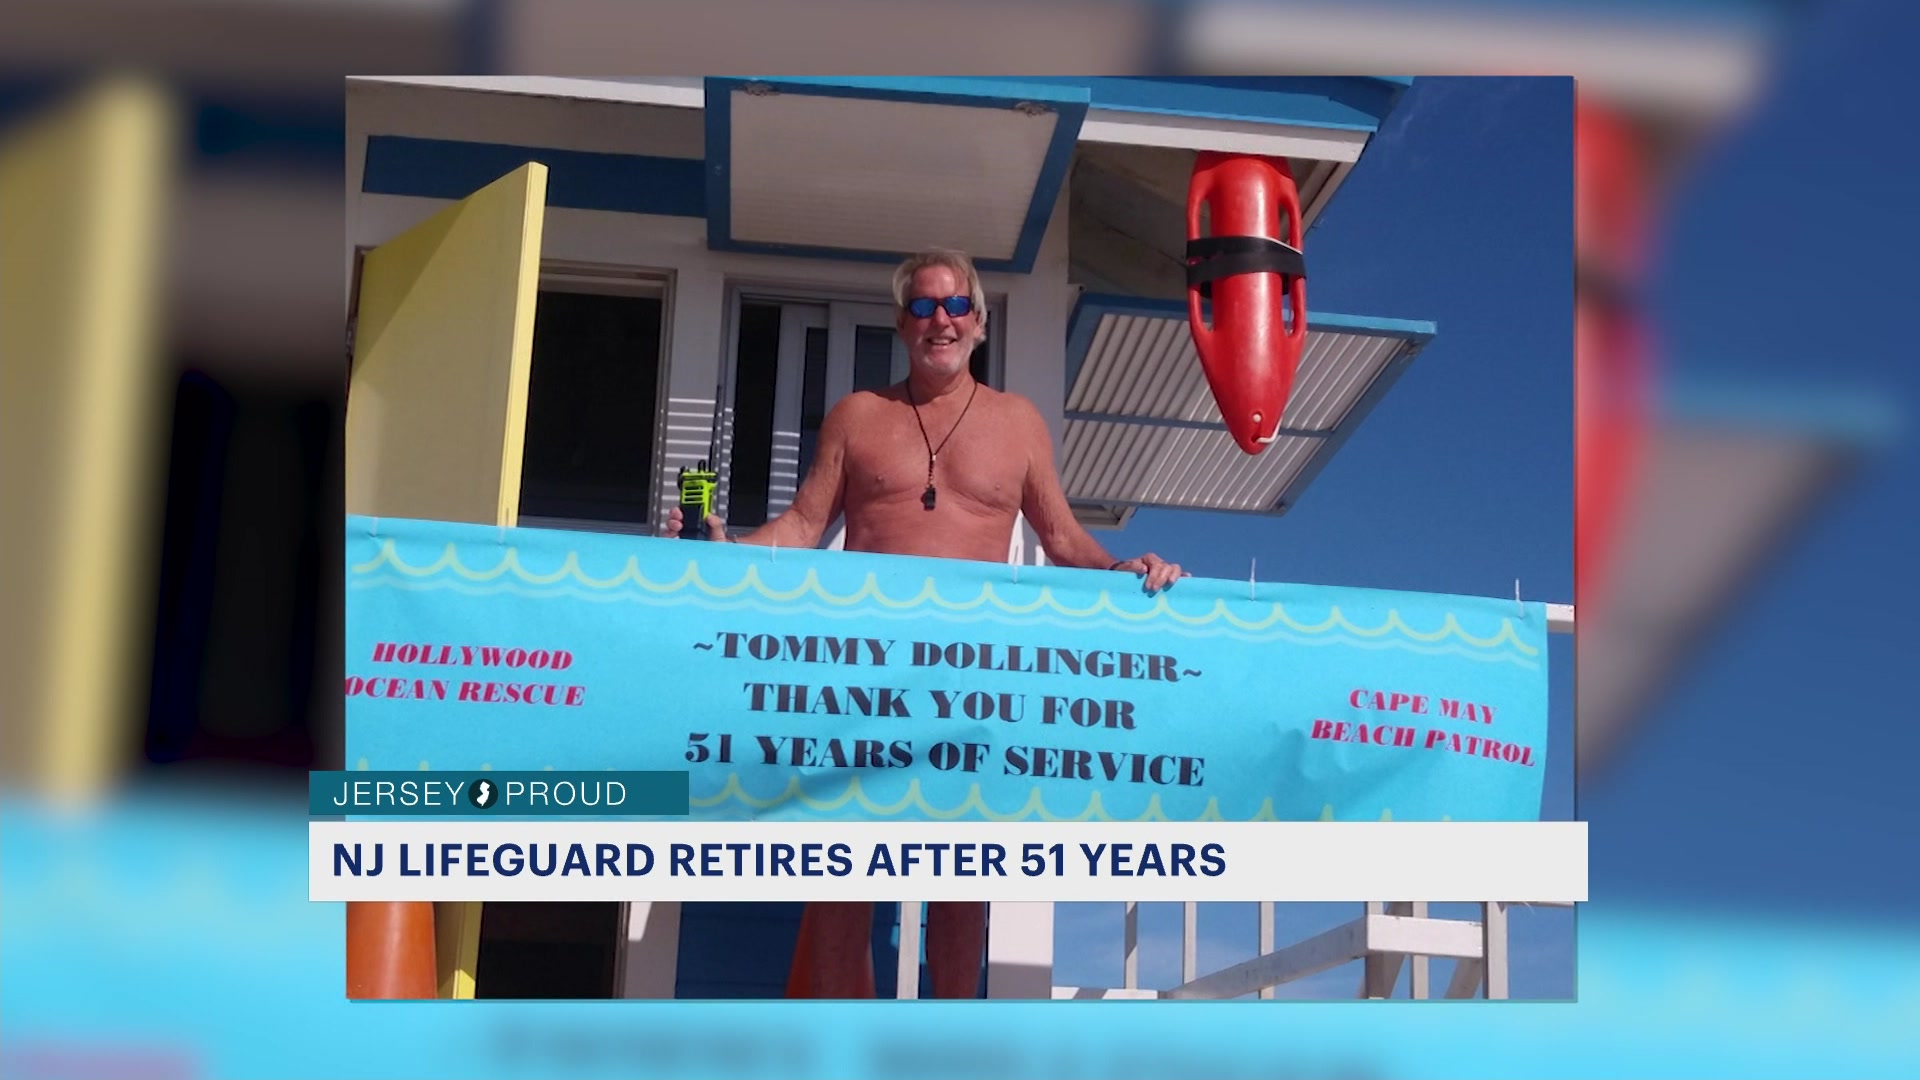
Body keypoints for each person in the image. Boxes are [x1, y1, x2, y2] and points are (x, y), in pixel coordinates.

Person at [663, 248, 1185, 998]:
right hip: (862, 677)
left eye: (954, 306)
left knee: (959, 894)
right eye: (922, 306)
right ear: (900, 323)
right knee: (843, 889)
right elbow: (805, 527)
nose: (939, 320)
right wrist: (727, 548)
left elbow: (1064, 541)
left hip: (971, 684)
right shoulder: (858, 416)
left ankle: (947, 1054)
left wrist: (1126, 571)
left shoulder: (1018, 422)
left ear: (978, 321)